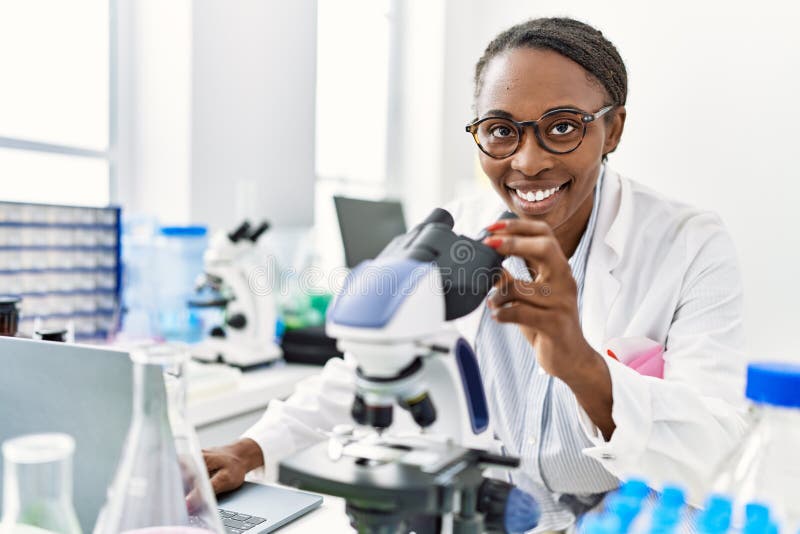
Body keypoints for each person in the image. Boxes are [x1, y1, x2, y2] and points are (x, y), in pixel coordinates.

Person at [202, 17, 747, 530]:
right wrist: (249, 450)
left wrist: (580, 363)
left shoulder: (686, 244)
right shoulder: (462, 228)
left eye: (562, 128)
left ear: (614, 129)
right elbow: (374, 369)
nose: (528, 162)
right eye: (501, 131)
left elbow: (714, 449)